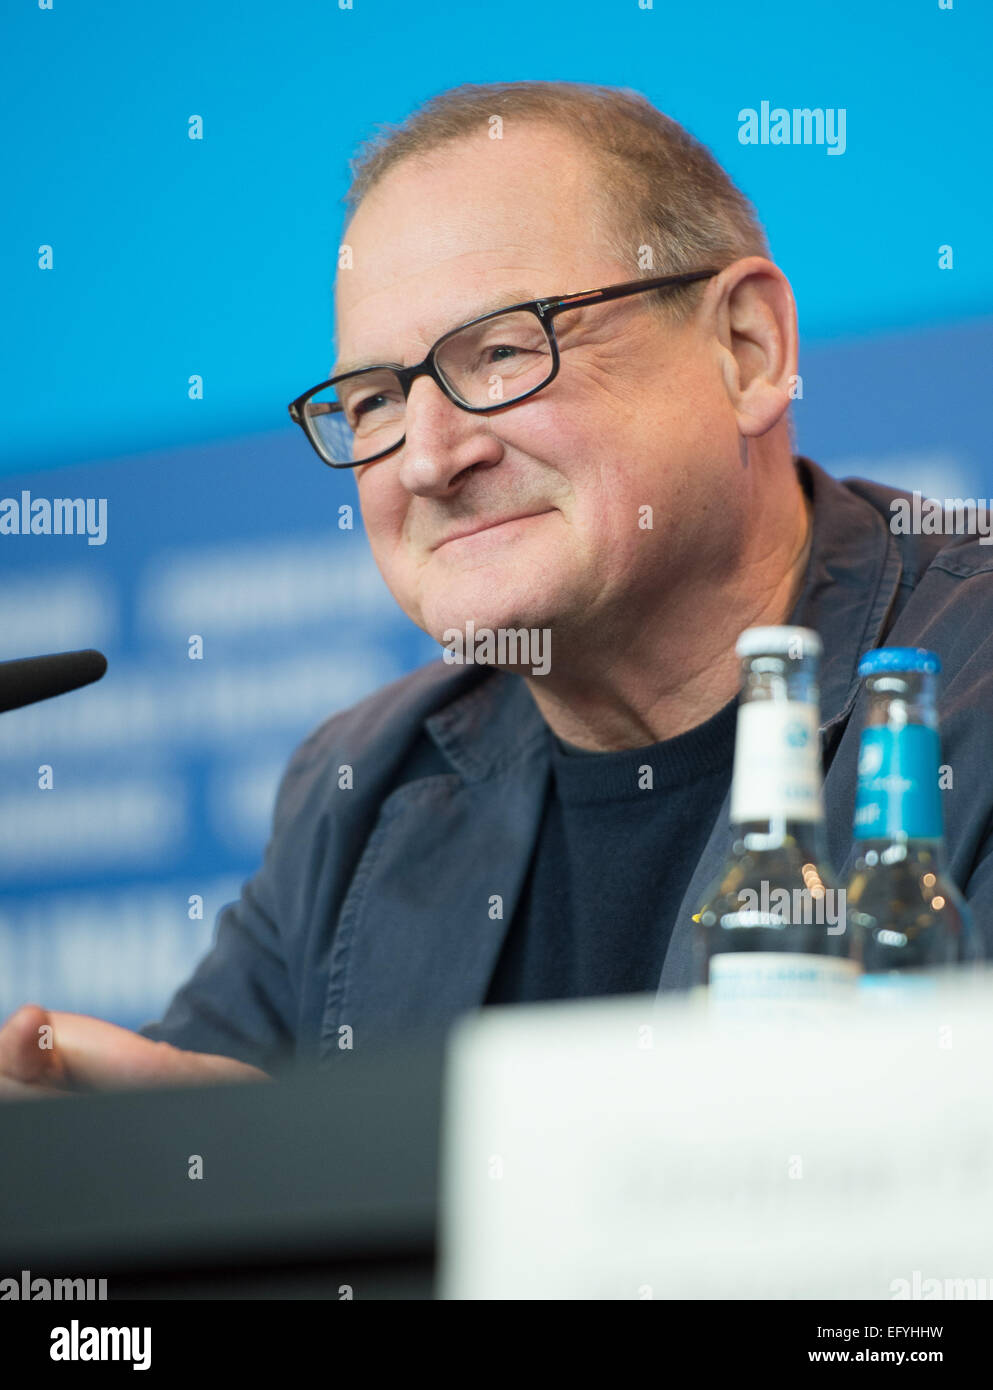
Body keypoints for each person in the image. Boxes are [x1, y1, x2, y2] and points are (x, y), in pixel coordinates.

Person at [2, 80, 992, 1097]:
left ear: (748, 350)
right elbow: (217, 1151)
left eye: (507, 350)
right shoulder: (361, 783)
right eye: (375, 400)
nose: (430, 458)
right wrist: (190, 1159)